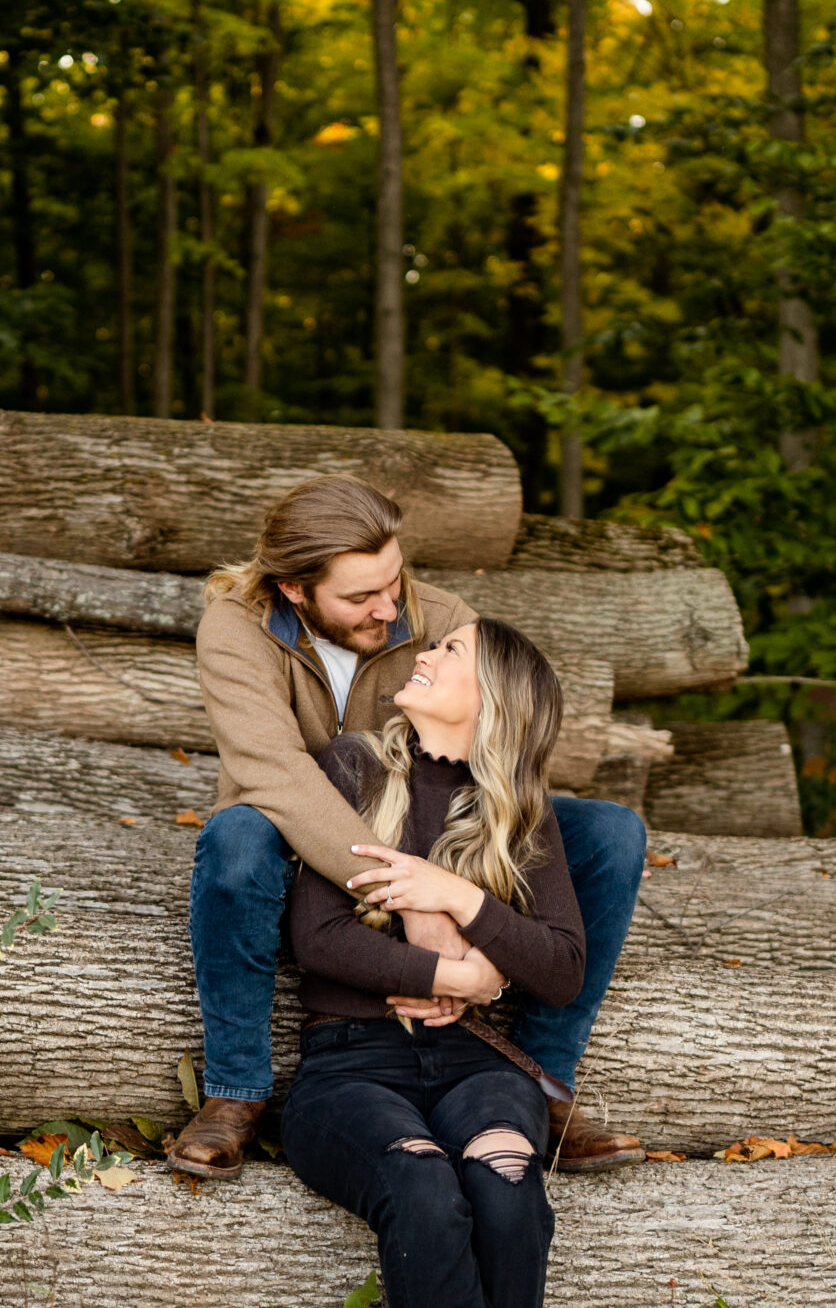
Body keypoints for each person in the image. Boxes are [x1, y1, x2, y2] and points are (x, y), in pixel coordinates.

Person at [164, 472, 652, 1180]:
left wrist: (473, 924)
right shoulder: (237, 629)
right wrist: (414, 901)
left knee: (610, 833)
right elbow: (275, 771)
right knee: (235, 838)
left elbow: (499, 739)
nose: (390, 608)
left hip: (433, 839)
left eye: (394, 580)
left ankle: (543, 1083)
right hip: (296, 840)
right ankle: (234, 1091)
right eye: (361, 596)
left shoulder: (441, 616)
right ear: (294, 589)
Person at [280, 614, 592, 1308]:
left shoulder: (520, 815)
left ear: (493, 698)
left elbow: (562, 966)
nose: (425, 655)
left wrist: (455, 898)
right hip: (350, 1063)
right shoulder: (350, 769)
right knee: (421, 1188)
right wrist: (452, 973)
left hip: (473, 1066)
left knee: (505, 1182)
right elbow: (319, 937)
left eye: (451, 651)